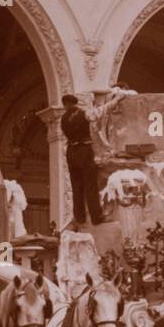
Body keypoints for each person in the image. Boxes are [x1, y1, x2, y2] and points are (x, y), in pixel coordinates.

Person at [60, 89, 127, 229]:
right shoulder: (84, 113)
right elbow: (102, 111)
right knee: (90, 184)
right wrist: (116, 100)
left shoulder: (63, 119)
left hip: (71, 152)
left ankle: (79, 216)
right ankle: (96, 216)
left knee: (76, 185)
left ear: (65, 105)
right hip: (84, 150)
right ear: (76, 103)